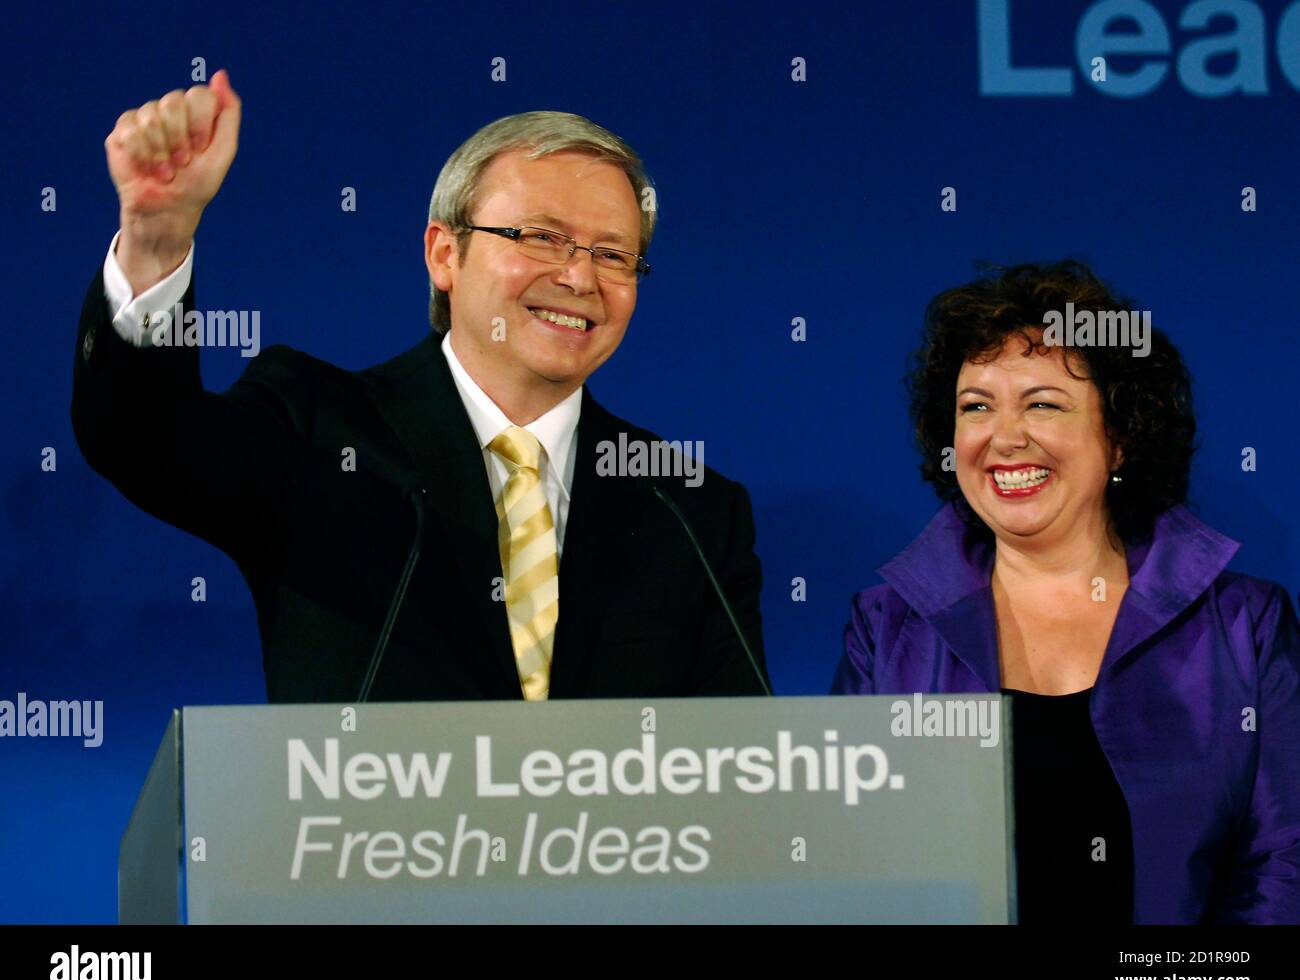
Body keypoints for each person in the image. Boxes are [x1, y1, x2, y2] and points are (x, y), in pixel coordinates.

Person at [73, 70, 769, 703]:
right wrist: (156, 243)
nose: (580, 278)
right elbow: (142, 441)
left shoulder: (691, 513)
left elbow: (744, 774)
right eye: (540, 238)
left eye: (612, 254)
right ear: (444, 253)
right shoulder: (318, 432)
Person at [831, 261, 1300, 924]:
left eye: (1042, 403)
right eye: (976, 407)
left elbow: (1282, 863)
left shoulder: (1245, 625)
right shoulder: (885, 631)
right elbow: (855, 868)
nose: (1005, 437)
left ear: (1122, 437)